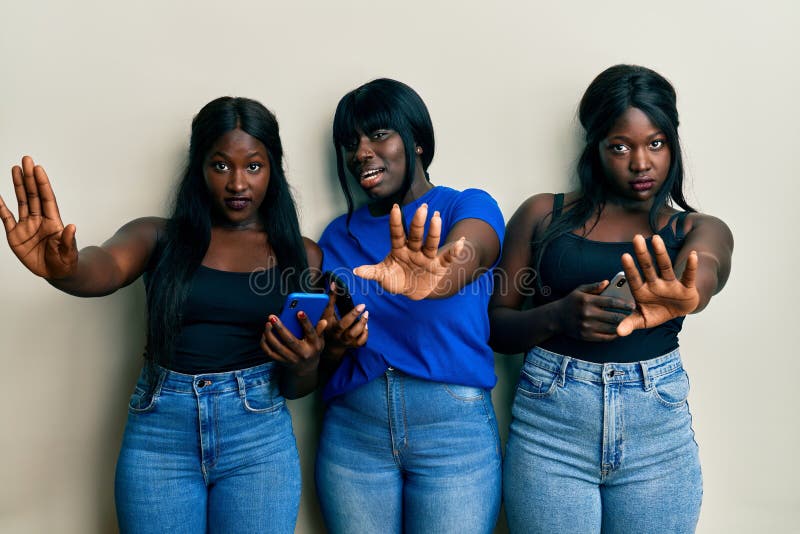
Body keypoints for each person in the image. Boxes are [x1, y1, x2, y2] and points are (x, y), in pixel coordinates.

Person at [0, 97, 329, 533]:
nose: (237, 183)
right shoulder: (157, 235)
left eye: (253, 166)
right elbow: (104, 267)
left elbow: (295, 387)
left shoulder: (301, 256)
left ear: (273, 169)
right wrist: (66, 270)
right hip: (160, 439)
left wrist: (306, 363)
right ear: (199, 168)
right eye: (220, 165)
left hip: (258, 443)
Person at [489, 64, 734, 533]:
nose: (641, 163)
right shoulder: (543, 214)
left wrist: (689, 293)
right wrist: (559, 316)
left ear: (672, 143)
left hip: (656, 442)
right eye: (621, 147)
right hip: (551, 436)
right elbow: (496, 326)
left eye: (655, 144)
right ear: (596, 148)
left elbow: (710, 264)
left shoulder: (695, 228)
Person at [314, 78, 505, 534]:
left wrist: (436, 278)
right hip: (354, 436)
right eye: (351, 143)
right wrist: (336, 344)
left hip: (451, 434)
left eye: (379, 135)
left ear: (417, 141)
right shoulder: (336, 236)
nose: (361, 152)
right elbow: (318, 360)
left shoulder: (466, 205)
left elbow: (472, 251)